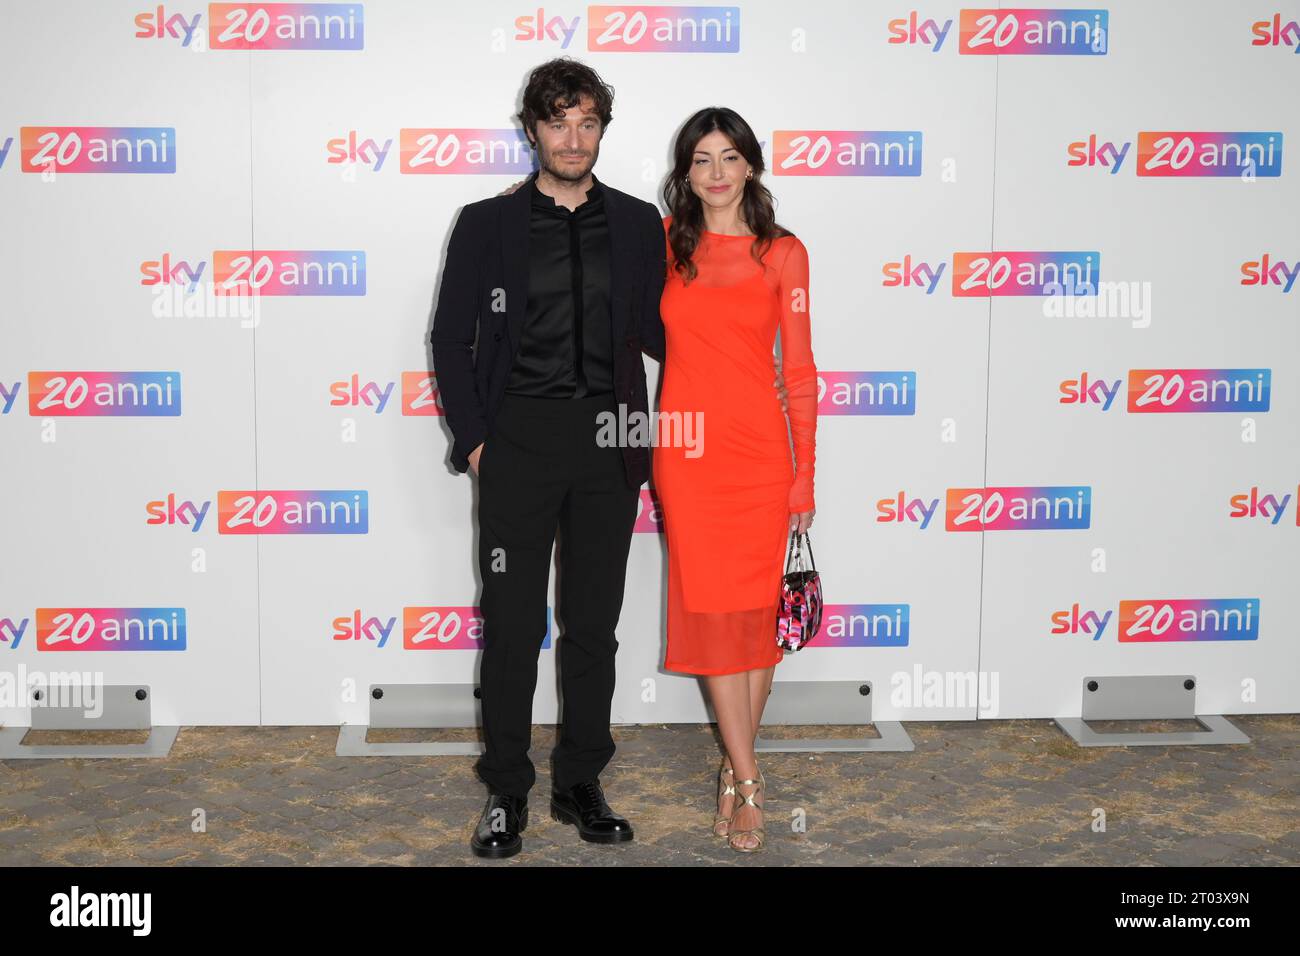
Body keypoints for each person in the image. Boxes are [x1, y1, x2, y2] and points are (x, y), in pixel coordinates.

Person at [428, 59, 787, 859]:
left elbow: (684, 330)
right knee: (515, 625)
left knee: (593, 626)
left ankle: (581, 781)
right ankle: (507, 791)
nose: (573, 137)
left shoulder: (635, 227)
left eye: (588, 122)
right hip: (516, 443)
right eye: (558, 121)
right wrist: (477, 441)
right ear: (531, 130)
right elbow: (452, 340)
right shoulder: (485, 224)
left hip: (612, 445)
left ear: (602, 132)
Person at [653, 107, 818, 852]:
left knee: (757, 622)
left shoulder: (783, 253)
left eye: (729, 157)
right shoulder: (664, 246)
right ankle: (748, 778)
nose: (716, 173)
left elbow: (802, 373)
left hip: (761, 458)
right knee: (716, 615)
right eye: (700, 160)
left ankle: (734, 769)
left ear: (750, 165)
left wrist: (803, 476)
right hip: (687, 457)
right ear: (684, 173)